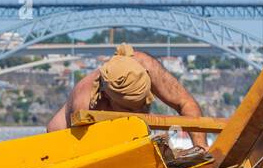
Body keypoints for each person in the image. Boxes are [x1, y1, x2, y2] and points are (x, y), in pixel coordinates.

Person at [46, 43, 207, 148]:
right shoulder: (86, 103)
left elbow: (186, 103)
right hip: (62, 142)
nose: (137, 112)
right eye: (129, 109)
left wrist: (200, 149)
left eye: (143, 103)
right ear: (107, 98)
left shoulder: (146, 66)